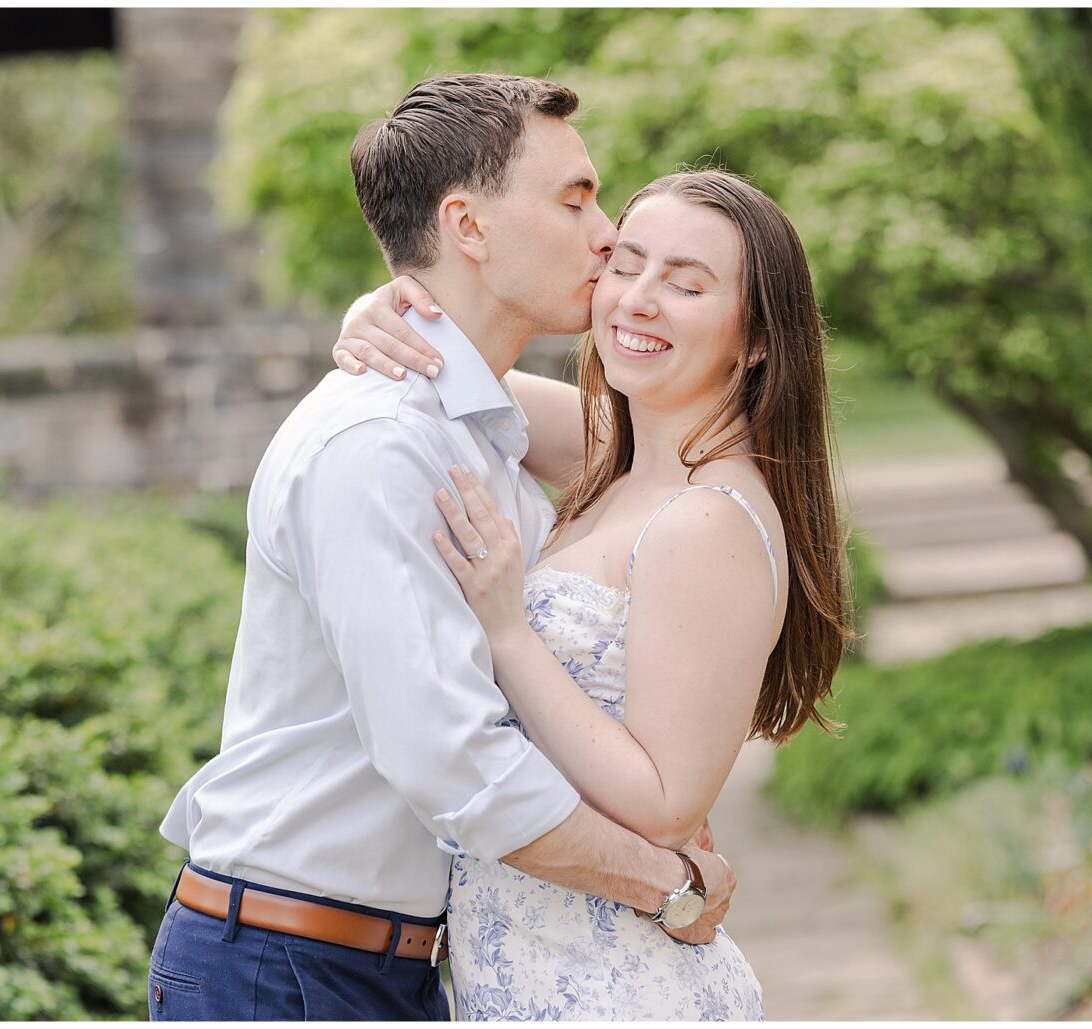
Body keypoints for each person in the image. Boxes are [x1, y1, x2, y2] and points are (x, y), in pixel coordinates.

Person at [150, 75, 737, 1022]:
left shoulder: (481, 425)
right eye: (575, 199)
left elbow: (662, 452)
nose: (607, 239)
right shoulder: (381, 443)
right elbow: (453, 761)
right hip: (287, 967)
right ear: (467, 226)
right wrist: (664, 880)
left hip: (395, 964)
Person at [333, 168, 850, 1018]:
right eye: (626, 263)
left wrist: (509, 633)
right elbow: (457, 374)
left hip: (615, 987)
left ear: (755, 339)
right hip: (533, 974)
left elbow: (665, 804)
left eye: (686, 284)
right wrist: (377, 312)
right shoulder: (620, 454)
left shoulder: (706, 520)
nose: (638, 300)